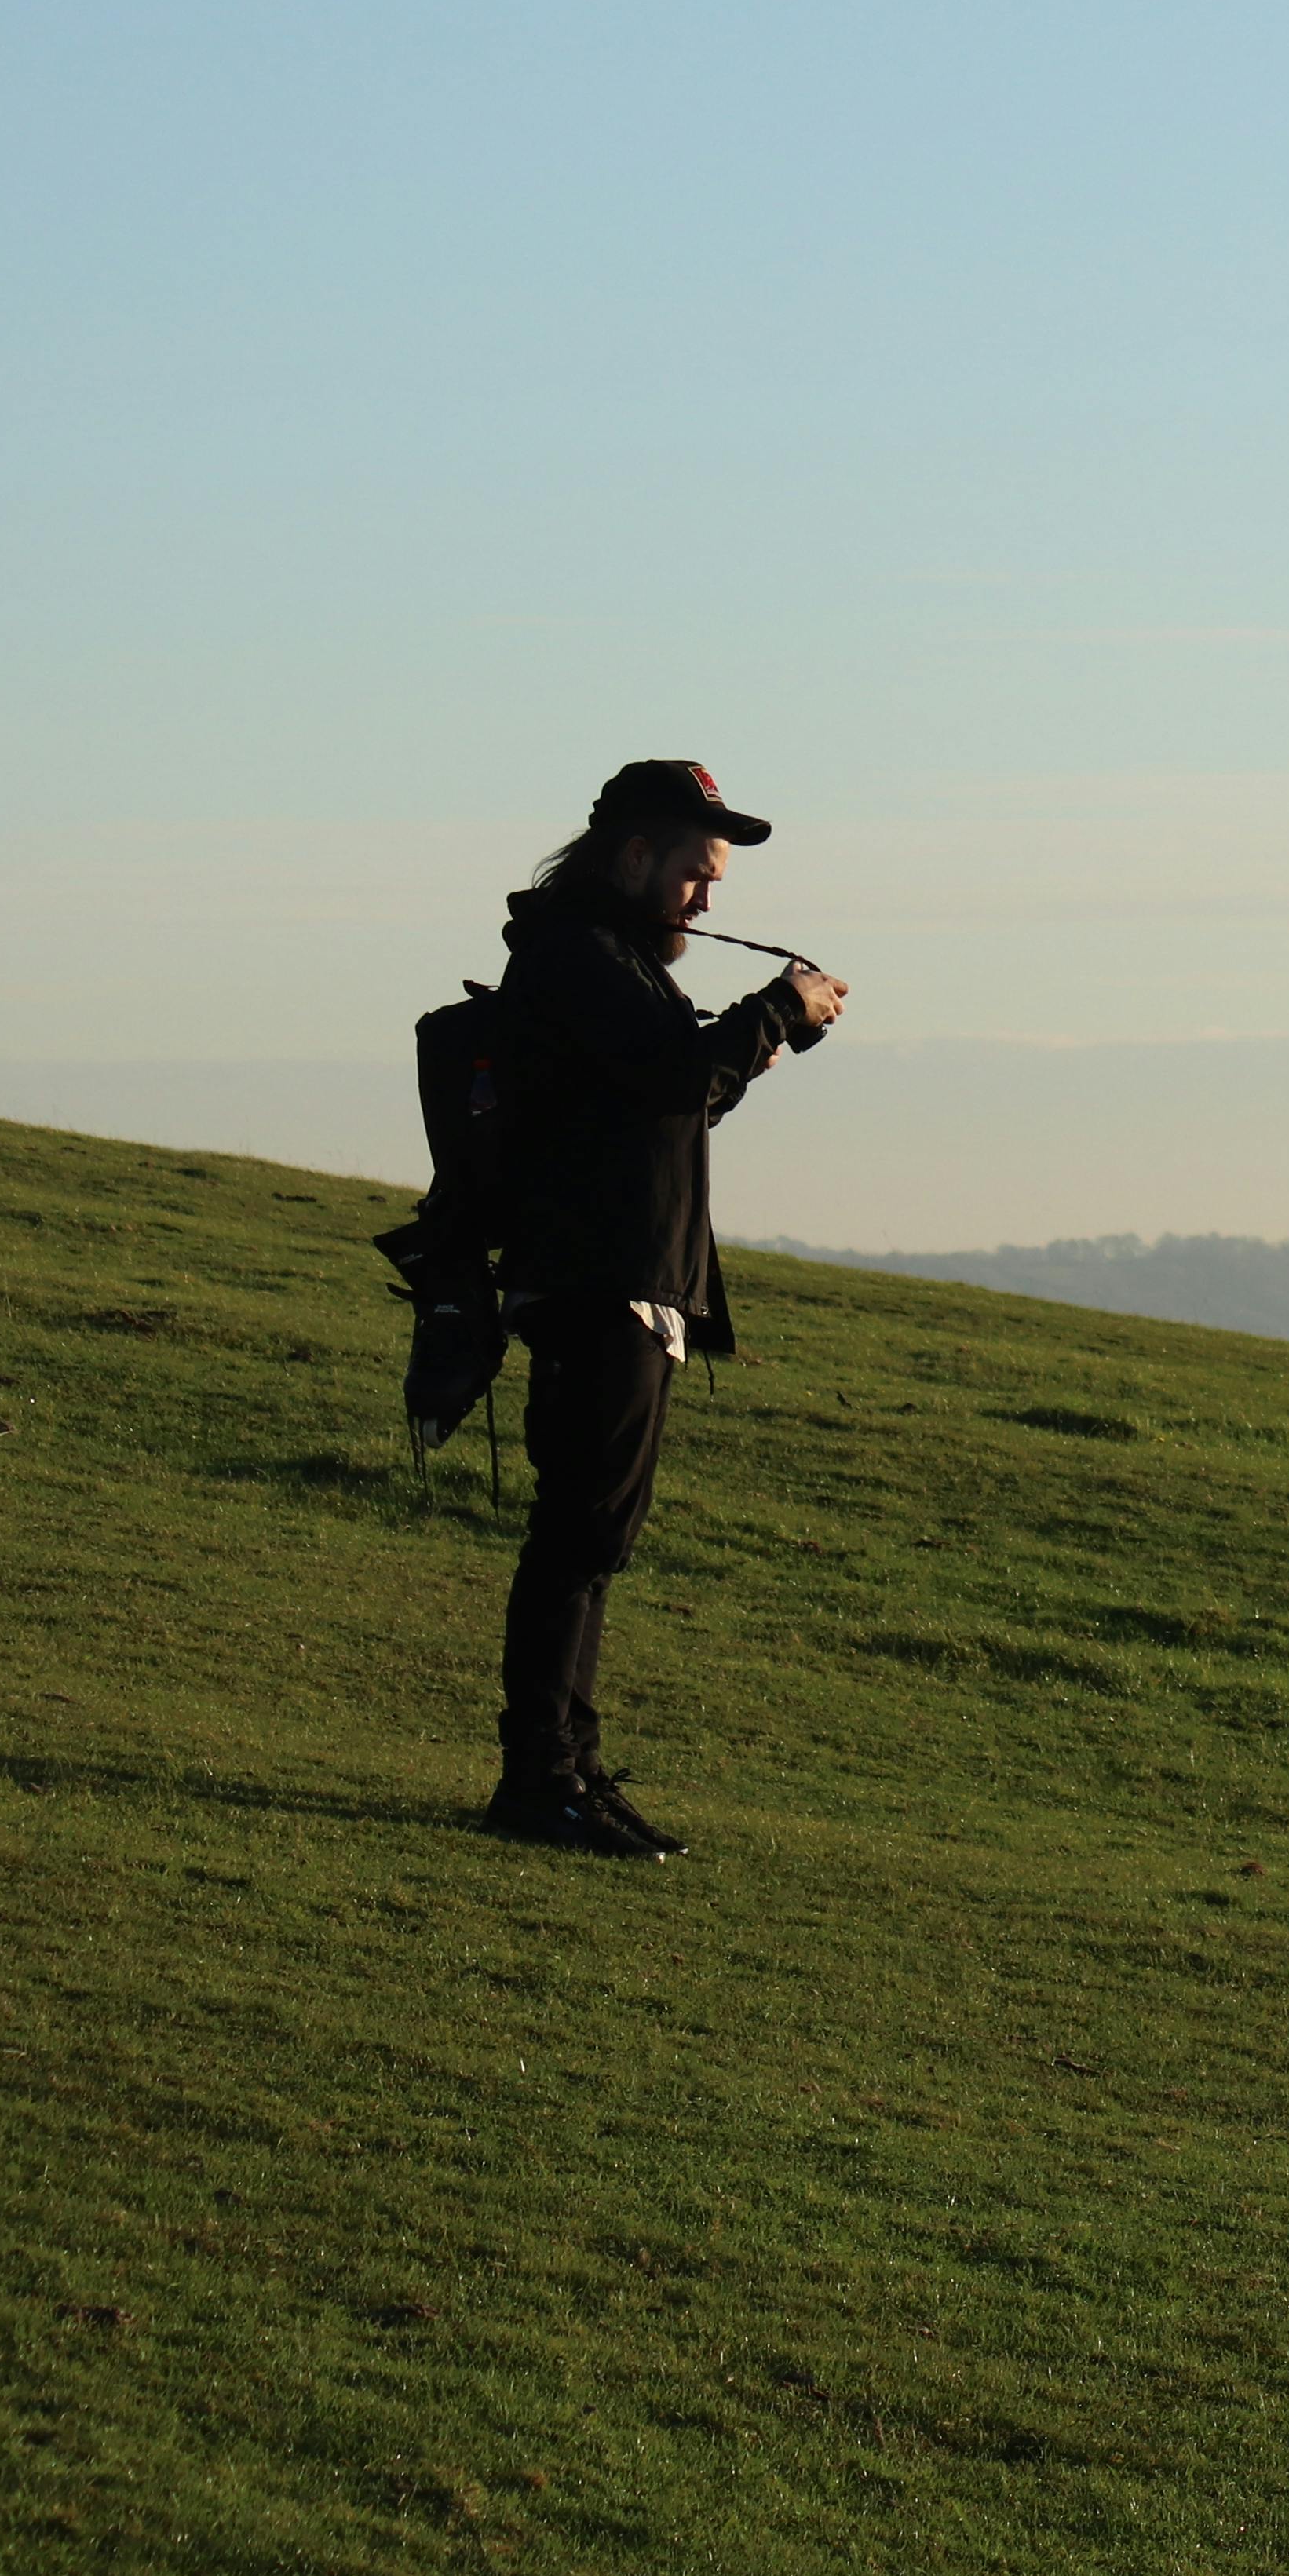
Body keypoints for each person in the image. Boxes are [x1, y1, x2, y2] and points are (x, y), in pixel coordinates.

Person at [481, 760, 849, 1859]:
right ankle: (540, 1778)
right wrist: (778, 1004)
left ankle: (570, 1771)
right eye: (697, 871)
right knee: (578, 1537)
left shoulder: (610, 962)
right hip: (599, 1285)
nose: (707, 895)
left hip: (626, 1283)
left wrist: (764, 1039)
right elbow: (666, 1078)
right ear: (635, 857)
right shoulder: (579, 956)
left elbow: (666, 1098)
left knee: (595, 1537)